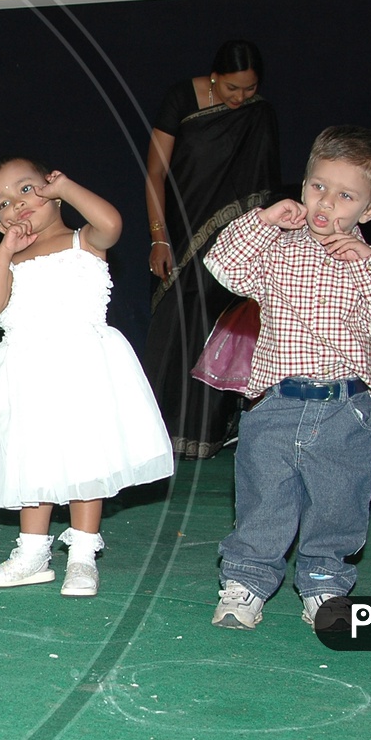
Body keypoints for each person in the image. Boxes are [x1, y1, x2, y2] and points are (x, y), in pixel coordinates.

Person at [204, 126, 371, 631]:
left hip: (344, 405)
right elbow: (222, 265)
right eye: (318, 186)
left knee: (339, 498)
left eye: (345, 196)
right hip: (276, 402)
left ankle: (325, 585)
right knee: (263, 494)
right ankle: (247, 581)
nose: (326, 203)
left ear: (369, 209)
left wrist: (370, 266)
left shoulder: (369, 264)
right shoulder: (277, 246)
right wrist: (264, 221)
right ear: (303, 183)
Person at [0, 159, 174, 596]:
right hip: (26, 374)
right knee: (31, 462)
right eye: (2, 203)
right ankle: (32, 553)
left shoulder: (83, 240)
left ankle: (82, 556)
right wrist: (5, 250)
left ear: (51, 188)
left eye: (26, 190)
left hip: (80, 367)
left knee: (86, 459)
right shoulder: (11, 258)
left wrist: (67, 186)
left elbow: (112, 223)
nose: (16, 206)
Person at [143, 39, 281, 460]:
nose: (240, 98)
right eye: (232, 89)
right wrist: (159, 237)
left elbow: (264, 188)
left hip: (235, 241)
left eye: (250, 88)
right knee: (174, 328)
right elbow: (155, 173)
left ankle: (204, 435)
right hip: (182, 232)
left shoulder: (259, 115)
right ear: (215, 76)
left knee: (217, 329)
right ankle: (153, 438)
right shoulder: (182, 98)